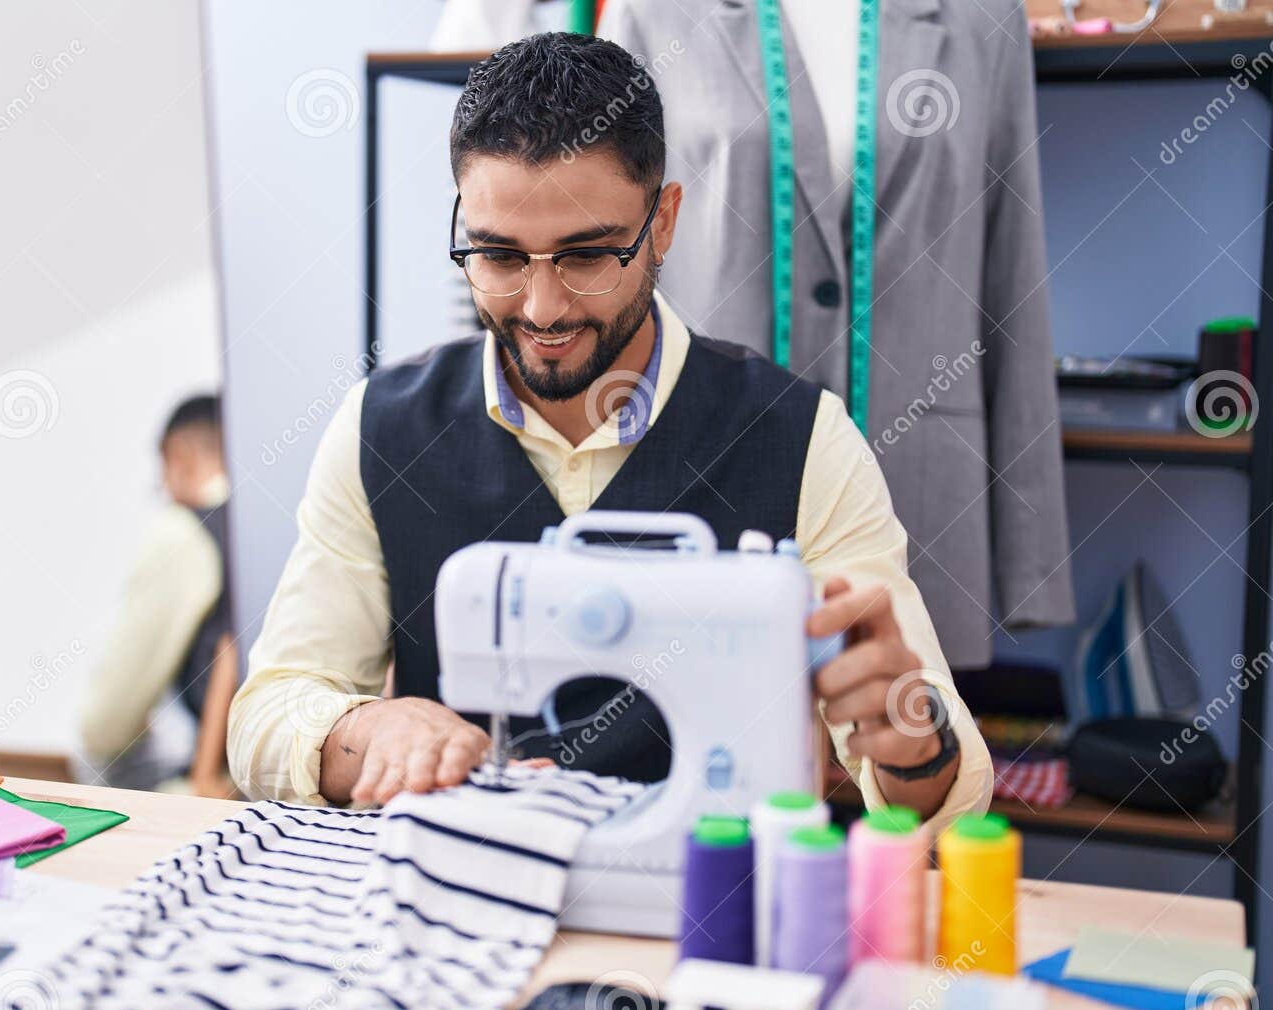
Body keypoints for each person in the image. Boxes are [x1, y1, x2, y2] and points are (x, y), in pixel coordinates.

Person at [228, 33, 990, 824]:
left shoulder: (802, 442)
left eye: (587, 256)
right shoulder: (380, 429)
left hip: (705, 915)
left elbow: (949, 794)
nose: (541, 308)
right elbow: (265, 715)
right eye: (499, 257)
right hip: (467, 902)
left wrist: (910, 736)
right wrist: (366, 729)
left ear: (662, 222)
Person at [77, 395, 239, 798]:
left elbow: (105, 725)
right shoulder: (278, 519)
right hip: (305, 775)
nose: (165, 490)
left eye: (163, 475)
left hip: (227, 790)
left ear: (178, 455)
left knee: (94, 762)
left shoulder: (184, 532)